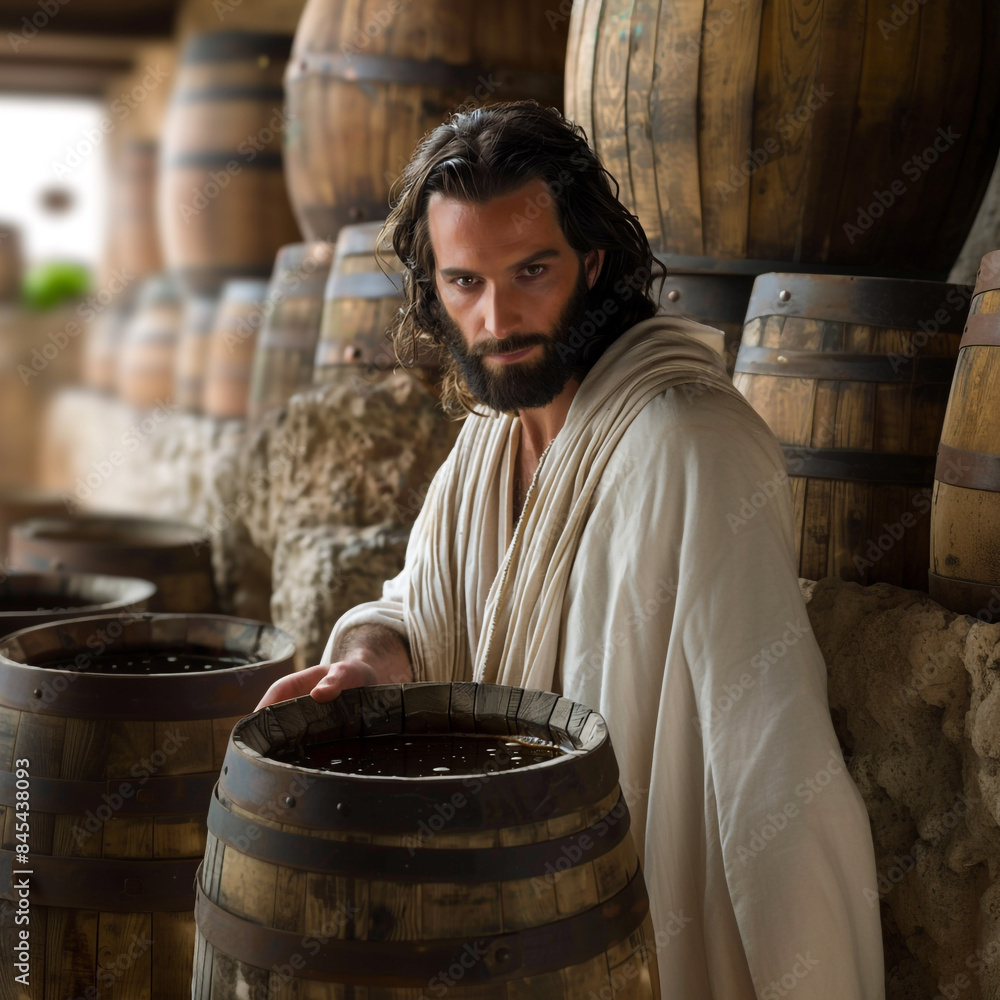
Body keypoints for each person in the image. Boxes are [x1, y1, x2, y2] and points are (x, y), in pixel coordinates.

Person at [257, 101, 884, 998]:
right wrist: (369, 660)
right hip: (506, 935)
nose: (497, 316)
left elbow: (771, 757)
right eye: (464, 282)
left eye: (532, 270)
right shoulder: (485, 444)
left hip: (642, 940)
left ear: (592, 262)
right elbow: (417, 605)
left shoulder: (691, 449)